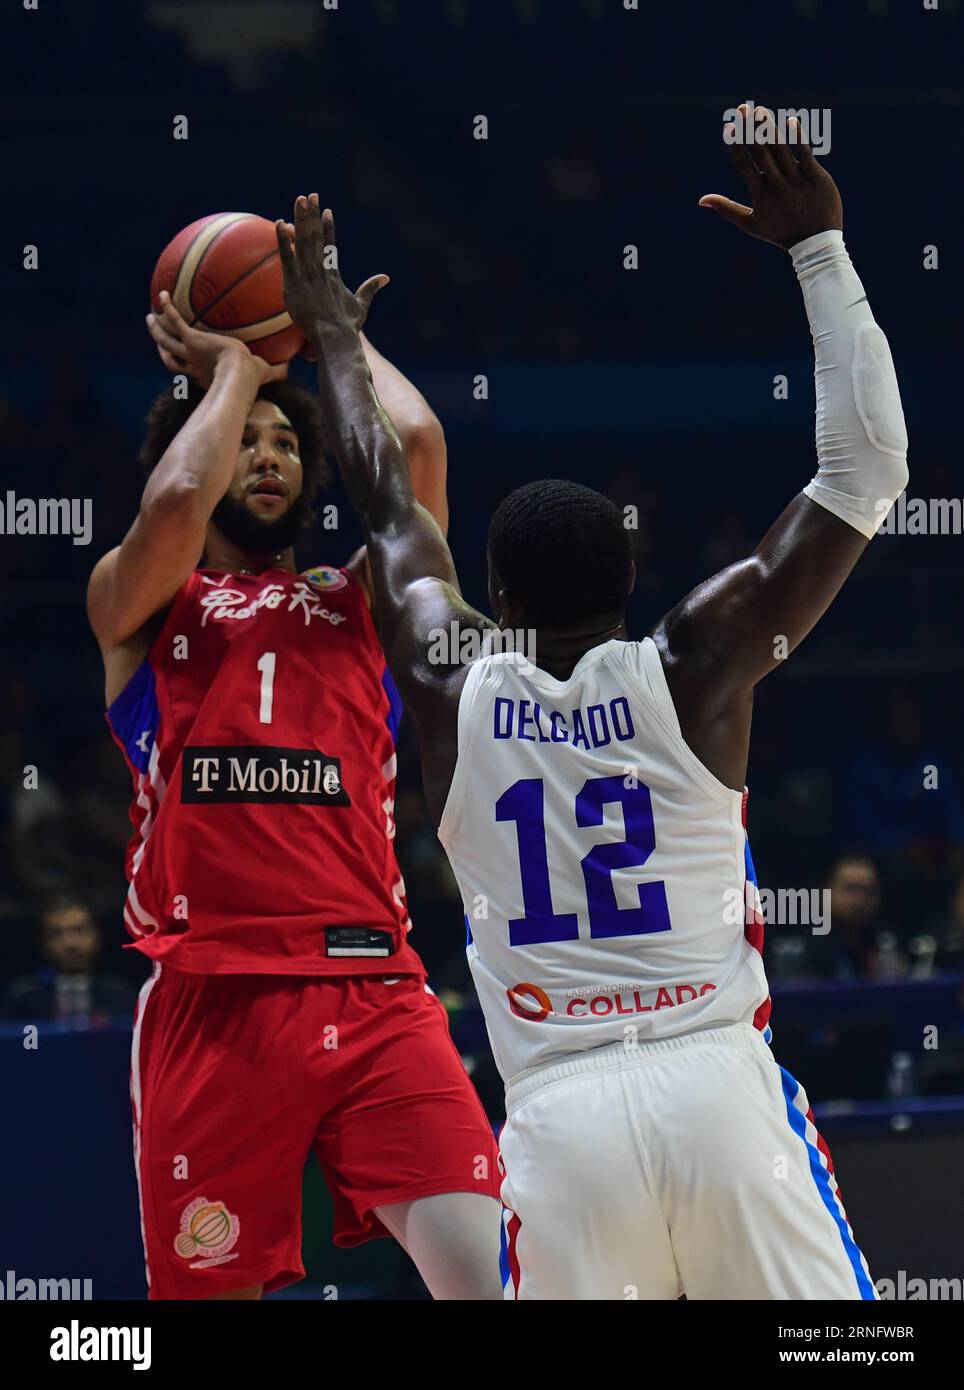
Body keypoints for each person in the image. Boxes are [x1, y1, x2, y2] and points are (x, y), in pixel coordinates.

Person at [276, 98, 908, 1299]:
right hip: (716, 1087)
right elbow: (866, 468)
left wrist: (335, 342)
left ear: (494, 591)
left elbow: (388, 510)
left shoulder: (449, 679)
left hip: (560, 1121)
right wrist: (820, 249)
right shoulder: (694, 662)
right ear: (635, 577)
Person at [86, 285, 502, 1300]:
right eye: (246, 441)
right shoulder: (138, 601)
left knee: (496, 1282)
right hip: (214, 997)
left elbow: (419, 454)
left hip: (376, 993)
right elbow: (178, 506)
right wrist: (234, 368)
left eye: (285, 443)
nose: (268, 456)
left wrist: (330, 336)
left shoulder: (356, 603)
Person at [0, 896, 135, 1024]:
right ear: (44, 943)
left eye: (79, 930)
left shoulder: (120, 996)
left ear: (97, 937)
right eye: (57, 934)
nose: (70, 943)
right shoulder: (23, 999)